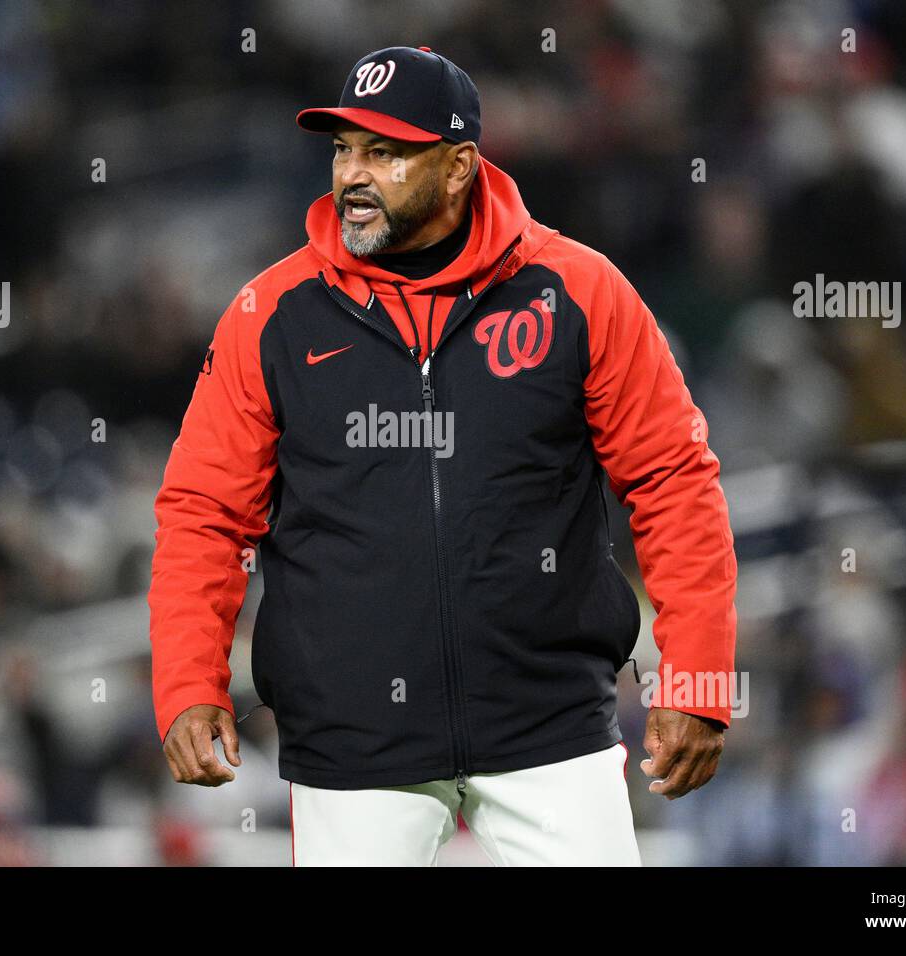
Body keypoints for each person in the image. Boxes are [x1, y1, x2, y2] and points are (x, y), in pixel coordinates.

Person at [148, 45, 738, 865]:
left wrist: (699, 678)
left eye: (384, 152)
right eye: (342, 149)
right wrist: (186, 684)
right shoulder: (270, 315)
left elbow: (673, 479)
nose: (352, 174)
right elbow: (205, 512)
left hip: (550, 726)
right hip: (353, 746)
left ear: (460, 165)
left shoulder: (578, 290)